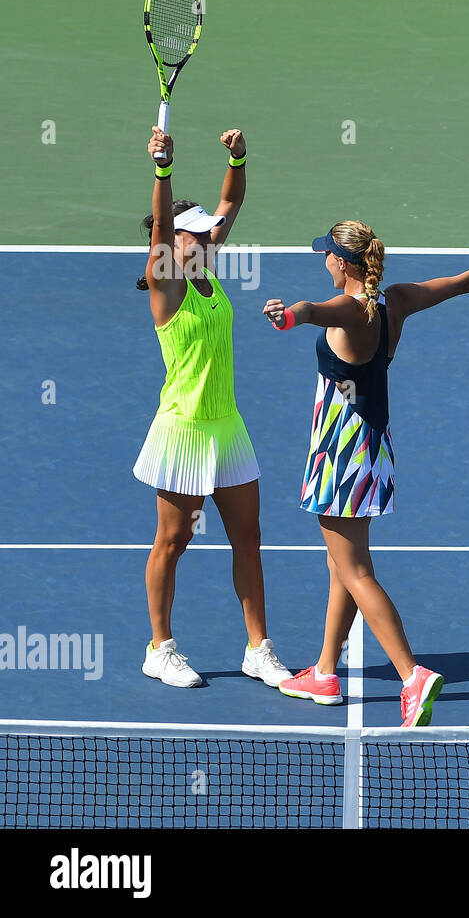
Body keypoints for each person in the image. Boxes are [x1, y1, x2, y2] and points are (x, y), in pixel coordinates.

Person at [263, 222, 469, 725]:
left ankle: (410, 675)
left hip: (340, 451)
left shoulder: (350, 309)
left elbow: (312, 312)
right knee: (342, 566)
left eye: (327, 256)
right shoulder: (396, 300)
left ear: (344, 263)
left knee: (354, 570)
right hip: (372, 449)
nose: (323, 262)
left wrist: (287, 316)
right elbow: (465, 280)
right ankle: (326, 672)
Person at [134, 125, 291, 691]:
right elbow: (159, 236)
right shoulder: (167, 284)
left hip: (228, 428)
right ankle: (160, 647)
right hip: (183, 431)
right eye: (193, 234)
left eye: (205, 234)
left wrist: (239, 156)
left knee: (247, 538)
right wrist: (162, 171)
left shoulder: (204, 271)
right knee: (172, 543)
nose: (207, 238)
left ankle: (259, 649)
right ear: (171, 241)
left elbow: (231, 201)